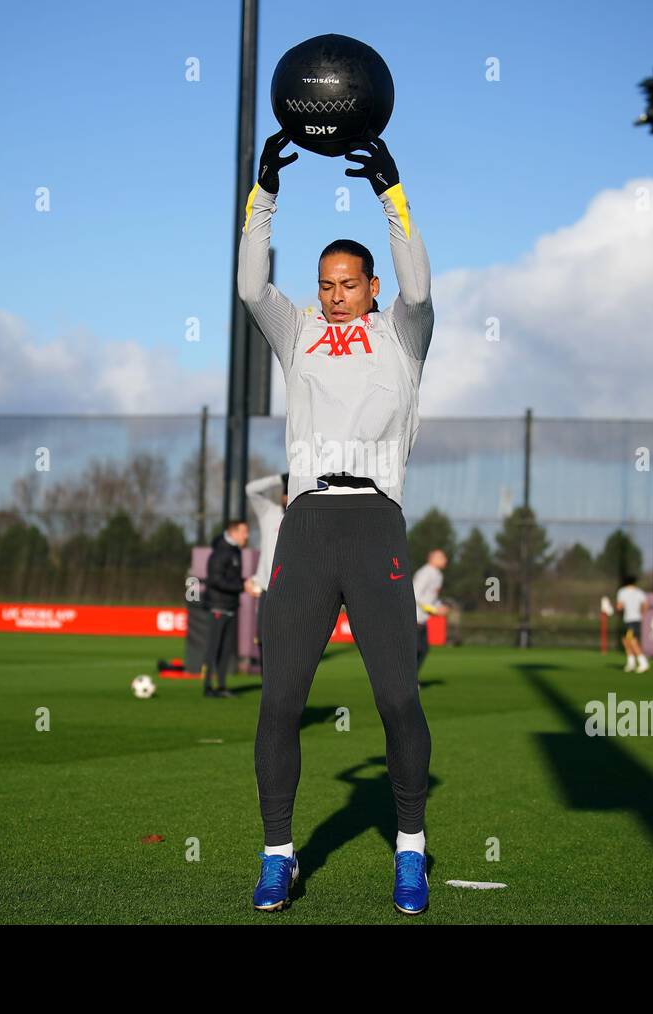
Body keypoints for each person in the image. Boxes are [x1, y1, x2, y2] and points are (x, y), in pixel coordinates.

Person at [238, 128, 434, 914]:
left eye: (347, 283)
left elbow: (420, 289)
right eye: (324, 284)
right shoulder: (302, 334)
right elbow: (254, 289)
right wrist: (264, 198)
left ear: (371, 284)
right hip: (309, 524)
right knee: (281, 699)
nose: (333, 295)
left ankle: (411, 853)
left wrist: (394, 196)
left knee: (397, 699)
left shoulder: (403, 336)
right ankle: (278, 855)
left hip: (376, 525)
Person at [199, 519, 257, 699]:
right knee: (214, 648)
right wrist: (242, 586)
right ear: (233, 532)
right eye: (243, 532)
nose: (246, 535)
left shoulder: (235, 551)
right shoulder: (220, 552)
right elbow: (215, 580)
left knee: (226, 650)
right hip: (218, 606)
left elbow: (231, 578)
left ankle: (222, 686)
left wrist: (244, 583)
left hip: (231, 606)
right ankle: (208, 687)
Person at [244, 472, 289, 656]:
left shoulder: (305, 516)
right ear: (282, 496)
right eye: (285, 494)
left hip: (291, 589)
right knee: (264, 639)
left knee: (288, 640)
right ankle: (268, 685)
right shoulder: (269, 513)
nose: (287, 498)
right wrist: (279, 479)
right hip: (267, 587)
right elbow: (250, 490)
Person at [412, 549, 450, 675]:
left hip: (422, 619)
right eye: (442, 557)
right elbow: (415, 595)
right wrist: (434, 610)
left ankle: (410, 680)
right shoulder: (425, 573)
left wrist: (440, 606)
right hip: (414, 618)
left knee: (423, 650)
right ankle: (406, 682)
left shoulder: (438, 575)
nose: (445, 559)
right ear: (432, 558)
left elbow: (431, 597)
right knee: (415, 651)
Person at [615, 575, 649, 673]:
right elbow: (646, 605)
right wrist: (641, 614)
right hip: (635, 620)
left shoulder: (622, 592)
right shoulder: (640, 592)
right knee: (625, 640)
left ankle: (643, 663)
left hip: (630, 620)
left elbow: (619, 606)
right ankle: (631, 663)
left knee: (632, 641)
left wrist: (616, 609)